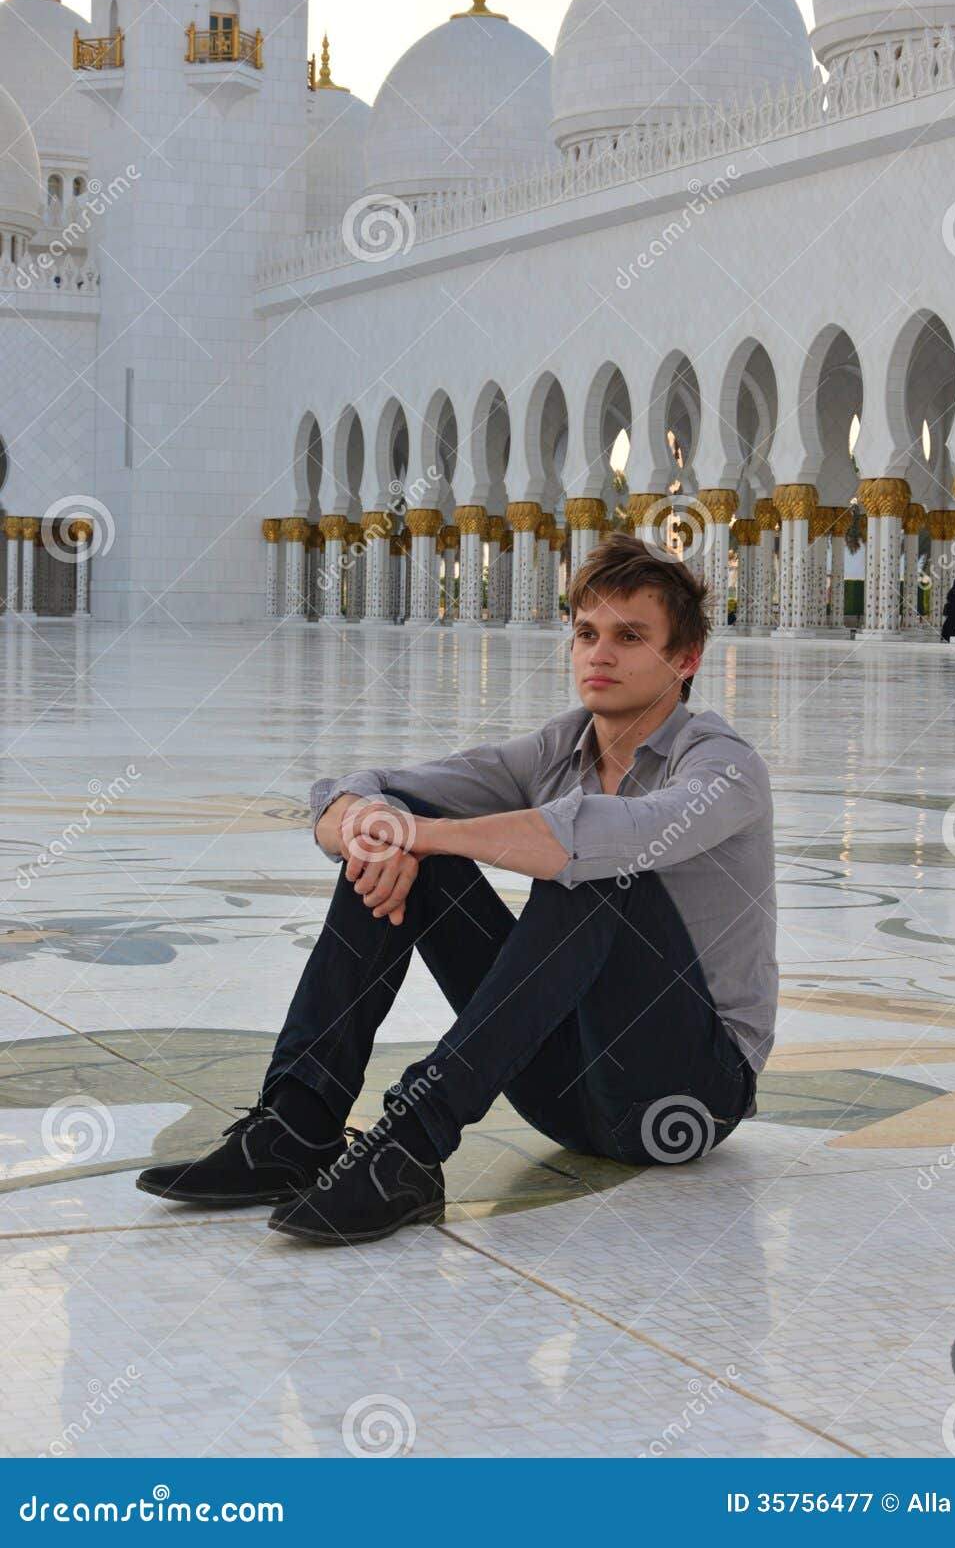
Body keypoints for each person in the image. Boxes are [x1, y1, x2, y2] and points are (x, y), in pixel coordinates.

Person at [137, 534, 778, 1246]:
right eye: (586, 634)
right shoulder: (556, 749)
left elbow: (613, 832)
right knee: (411, 833)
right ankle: (298, 1122)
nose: (599, 655)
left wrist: (415, 834)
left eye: (631, 637)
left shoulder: (724, 767)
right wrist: (375, 827)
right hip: (562, 1096)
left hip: (686, 1094)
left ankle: (411, 1146)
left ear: (685, 660)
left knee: (594, 867)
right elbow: (355, 791)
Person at [940, 574, 955, 643]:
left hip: (952, 612)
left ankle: (946, 636)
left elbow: (948, 598)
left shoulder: (952, 591)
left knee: (949, 624)